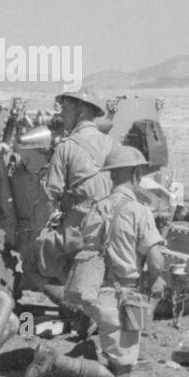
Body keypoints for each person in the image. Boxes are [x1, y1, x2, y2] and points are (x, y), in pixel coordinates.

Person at [24, 145, 167, 377]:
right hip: (120, 298)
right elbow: (155, 259)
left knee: (113, 343)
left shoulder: (96, 209)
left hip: (91, 291)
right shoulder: (138, 211)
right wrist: (156, 279)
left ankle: (98, 356)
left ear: (111, 175)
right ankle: (54, 360)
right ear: (135, 175)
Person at [41, 87, 113, 280]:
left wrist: (49, 223)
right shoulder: (112, 144)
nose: (61, 113)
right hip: (110, 223)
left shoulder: (66, 147)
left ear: (80, 109)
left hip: (80, 226)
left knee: (35, 255)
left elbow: (51, 194)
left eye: (65, 107)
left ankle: (69, 300)